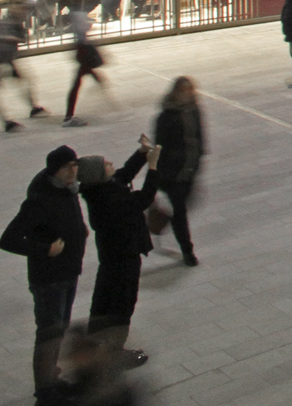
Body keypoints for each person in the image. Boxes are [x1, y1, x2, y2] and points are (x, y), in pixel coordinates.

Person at [0, 144, 89, 401]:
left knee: (59, 330)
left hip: (69, 271)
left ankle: (52, 378)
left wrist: (79, 227)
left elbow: (70, 211)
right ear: (54, 171)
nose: (73, 171)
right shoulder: (40, 200)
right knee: (49, 334)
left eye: (75, 166)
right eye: (66, 168)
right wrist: (44, 249)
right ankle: (45, 392)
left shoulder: (66, 188)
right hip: (50, 278)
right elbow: (8, 240)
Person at [80, 137, 160, 363]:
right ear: (99, 174)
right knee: (122, 303)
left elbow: (124, 174)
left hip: (110, 255)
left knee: (104, 300)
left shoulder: (98, 189)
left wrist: (142, 153)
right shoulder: (110, 199)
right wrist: (153, 166)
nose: (111, 163)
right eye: (106, 164)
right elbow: (143, 198)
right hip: (124, 256)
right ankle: (114, 353)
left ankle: (94, 346)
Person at [151, 77, 205, 266]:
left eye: (190, 90)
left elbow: (199, 135)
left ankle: (168, 221)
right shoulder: (166, 116)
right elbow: (158, 146)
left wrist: (200, 156)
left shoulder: (195, 109)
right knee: (180, 212)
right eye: (184, 91)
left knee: (184, 206)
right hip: (172, 173)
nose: (188, 94)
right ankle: (188, 251)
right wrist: (158, 174)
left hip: (190, 170)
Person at [60, 2, 108, 127]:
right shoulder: (78, 14)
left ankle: (69, 116)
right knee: (77, 82)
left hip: (82, 49)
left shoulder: (76, 13)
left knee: (79, 80)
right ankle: (68, 117)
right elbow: (83, 30)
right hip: (83, 50)